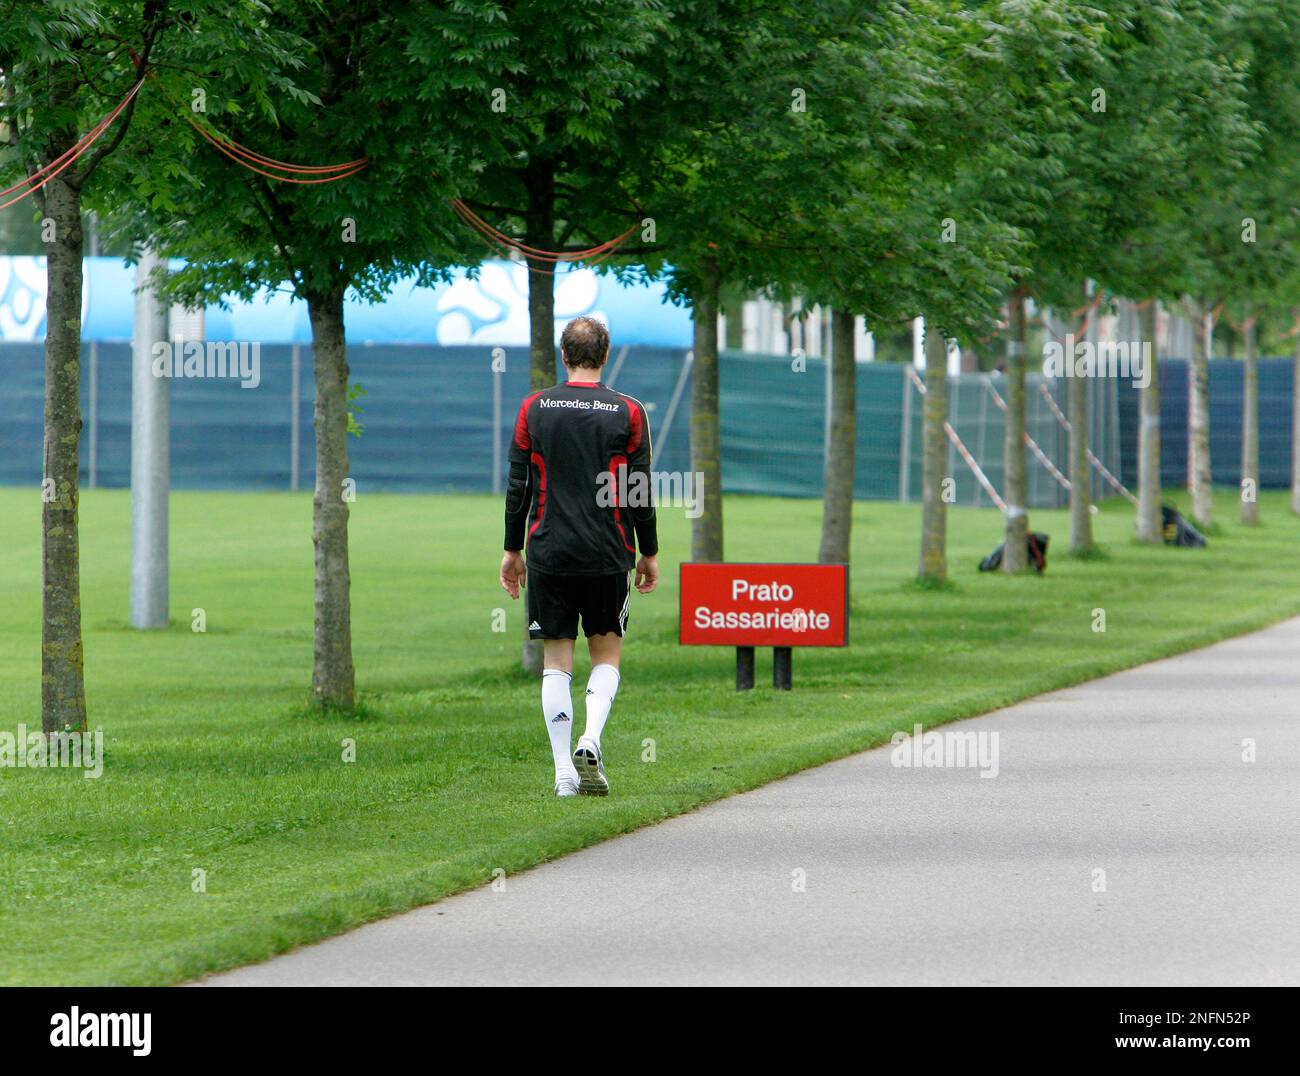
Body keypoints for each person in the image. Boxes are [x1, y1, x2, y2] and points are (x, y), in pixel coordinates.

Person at [500, 316, 659, 796]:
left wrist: (513, 549)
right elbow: (640, 491)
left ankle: (562, 773)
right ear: (605, 356)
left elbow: (518, 486)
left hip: (548, 551)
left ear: (564, 356)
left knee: (556, 662)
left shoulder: (535, 408)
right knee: (606, 653)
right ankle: (590, 737)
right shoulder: (629, 412)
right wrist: (648, 552)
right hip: (609, 552)